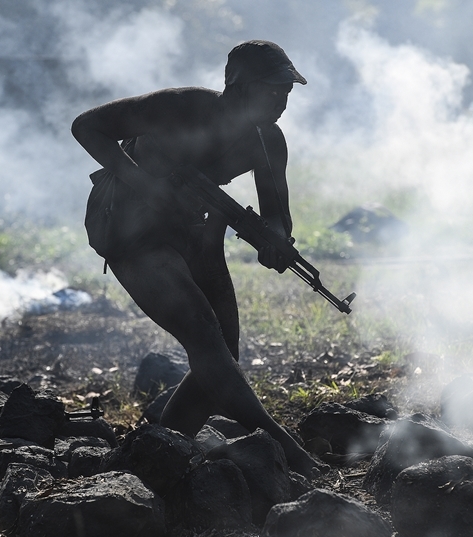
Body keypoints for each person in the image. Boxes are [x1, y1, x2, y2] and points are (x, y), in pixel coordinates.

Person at [72, 40, 323, 477]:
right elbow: (86, 126)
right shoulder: (180, 107)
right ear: (238, 86)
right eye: (271, 90)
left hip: (194, 231)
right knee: (206, 339)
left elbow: (276, 218)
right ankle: (287, 451)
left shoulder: (268, 141)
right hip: (131, 229)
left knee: (223, 353)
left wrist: (276, 243)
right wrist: (145, 184)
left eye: (286, 91)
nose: (282, 101)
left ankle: (156, 455)